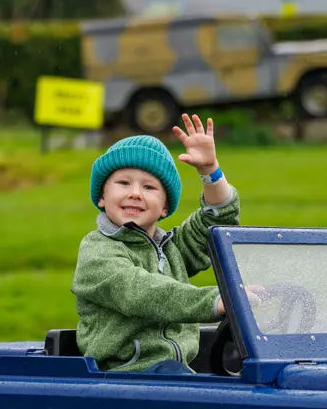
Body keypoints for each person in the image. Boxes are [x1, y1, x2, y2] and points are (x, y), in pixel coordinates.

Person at [70, 113, 260, 374]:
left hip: (173, 371)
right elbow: (142, 293)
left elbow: (218, 219)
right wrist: (215, 301)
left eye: (149, 187)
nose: (135, 193)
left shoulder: (171, 248)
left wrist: (209, 170)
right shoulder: (97, 251)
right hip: (123, 376)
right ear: (102, 197)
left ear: (164, 207)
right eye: (123, 183)